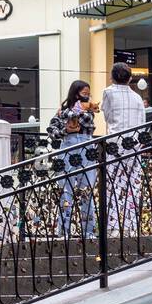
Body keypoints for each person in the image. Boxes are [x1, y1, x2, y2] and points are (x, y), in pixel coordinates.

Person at [46, 79, 99, 237]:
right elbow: (51, 129)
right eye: (84, 94)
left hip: (86, 145)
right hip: (68, 145)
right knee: (65, 190)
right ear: (75, 93)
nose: (87, 97)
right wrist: (65, 130)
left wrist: (70, 115)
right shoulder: (63, 111)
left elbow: (85, 119)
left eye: (88, 94)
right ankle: (64, 231)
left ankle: (88, 231)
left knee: (87, 189)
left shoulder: (83, 110)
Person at [101, 62, 145, 235]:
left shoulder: (108, 92)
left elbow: (107, 115)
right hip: (134, 144)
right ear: (130, 78)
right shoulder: (137, 97)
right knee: (132, 186)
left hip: (114, 143)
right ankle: (130, 227)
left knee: (113, 185)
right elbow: (142, 122)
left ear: (112, 76)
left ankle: (113, 228)